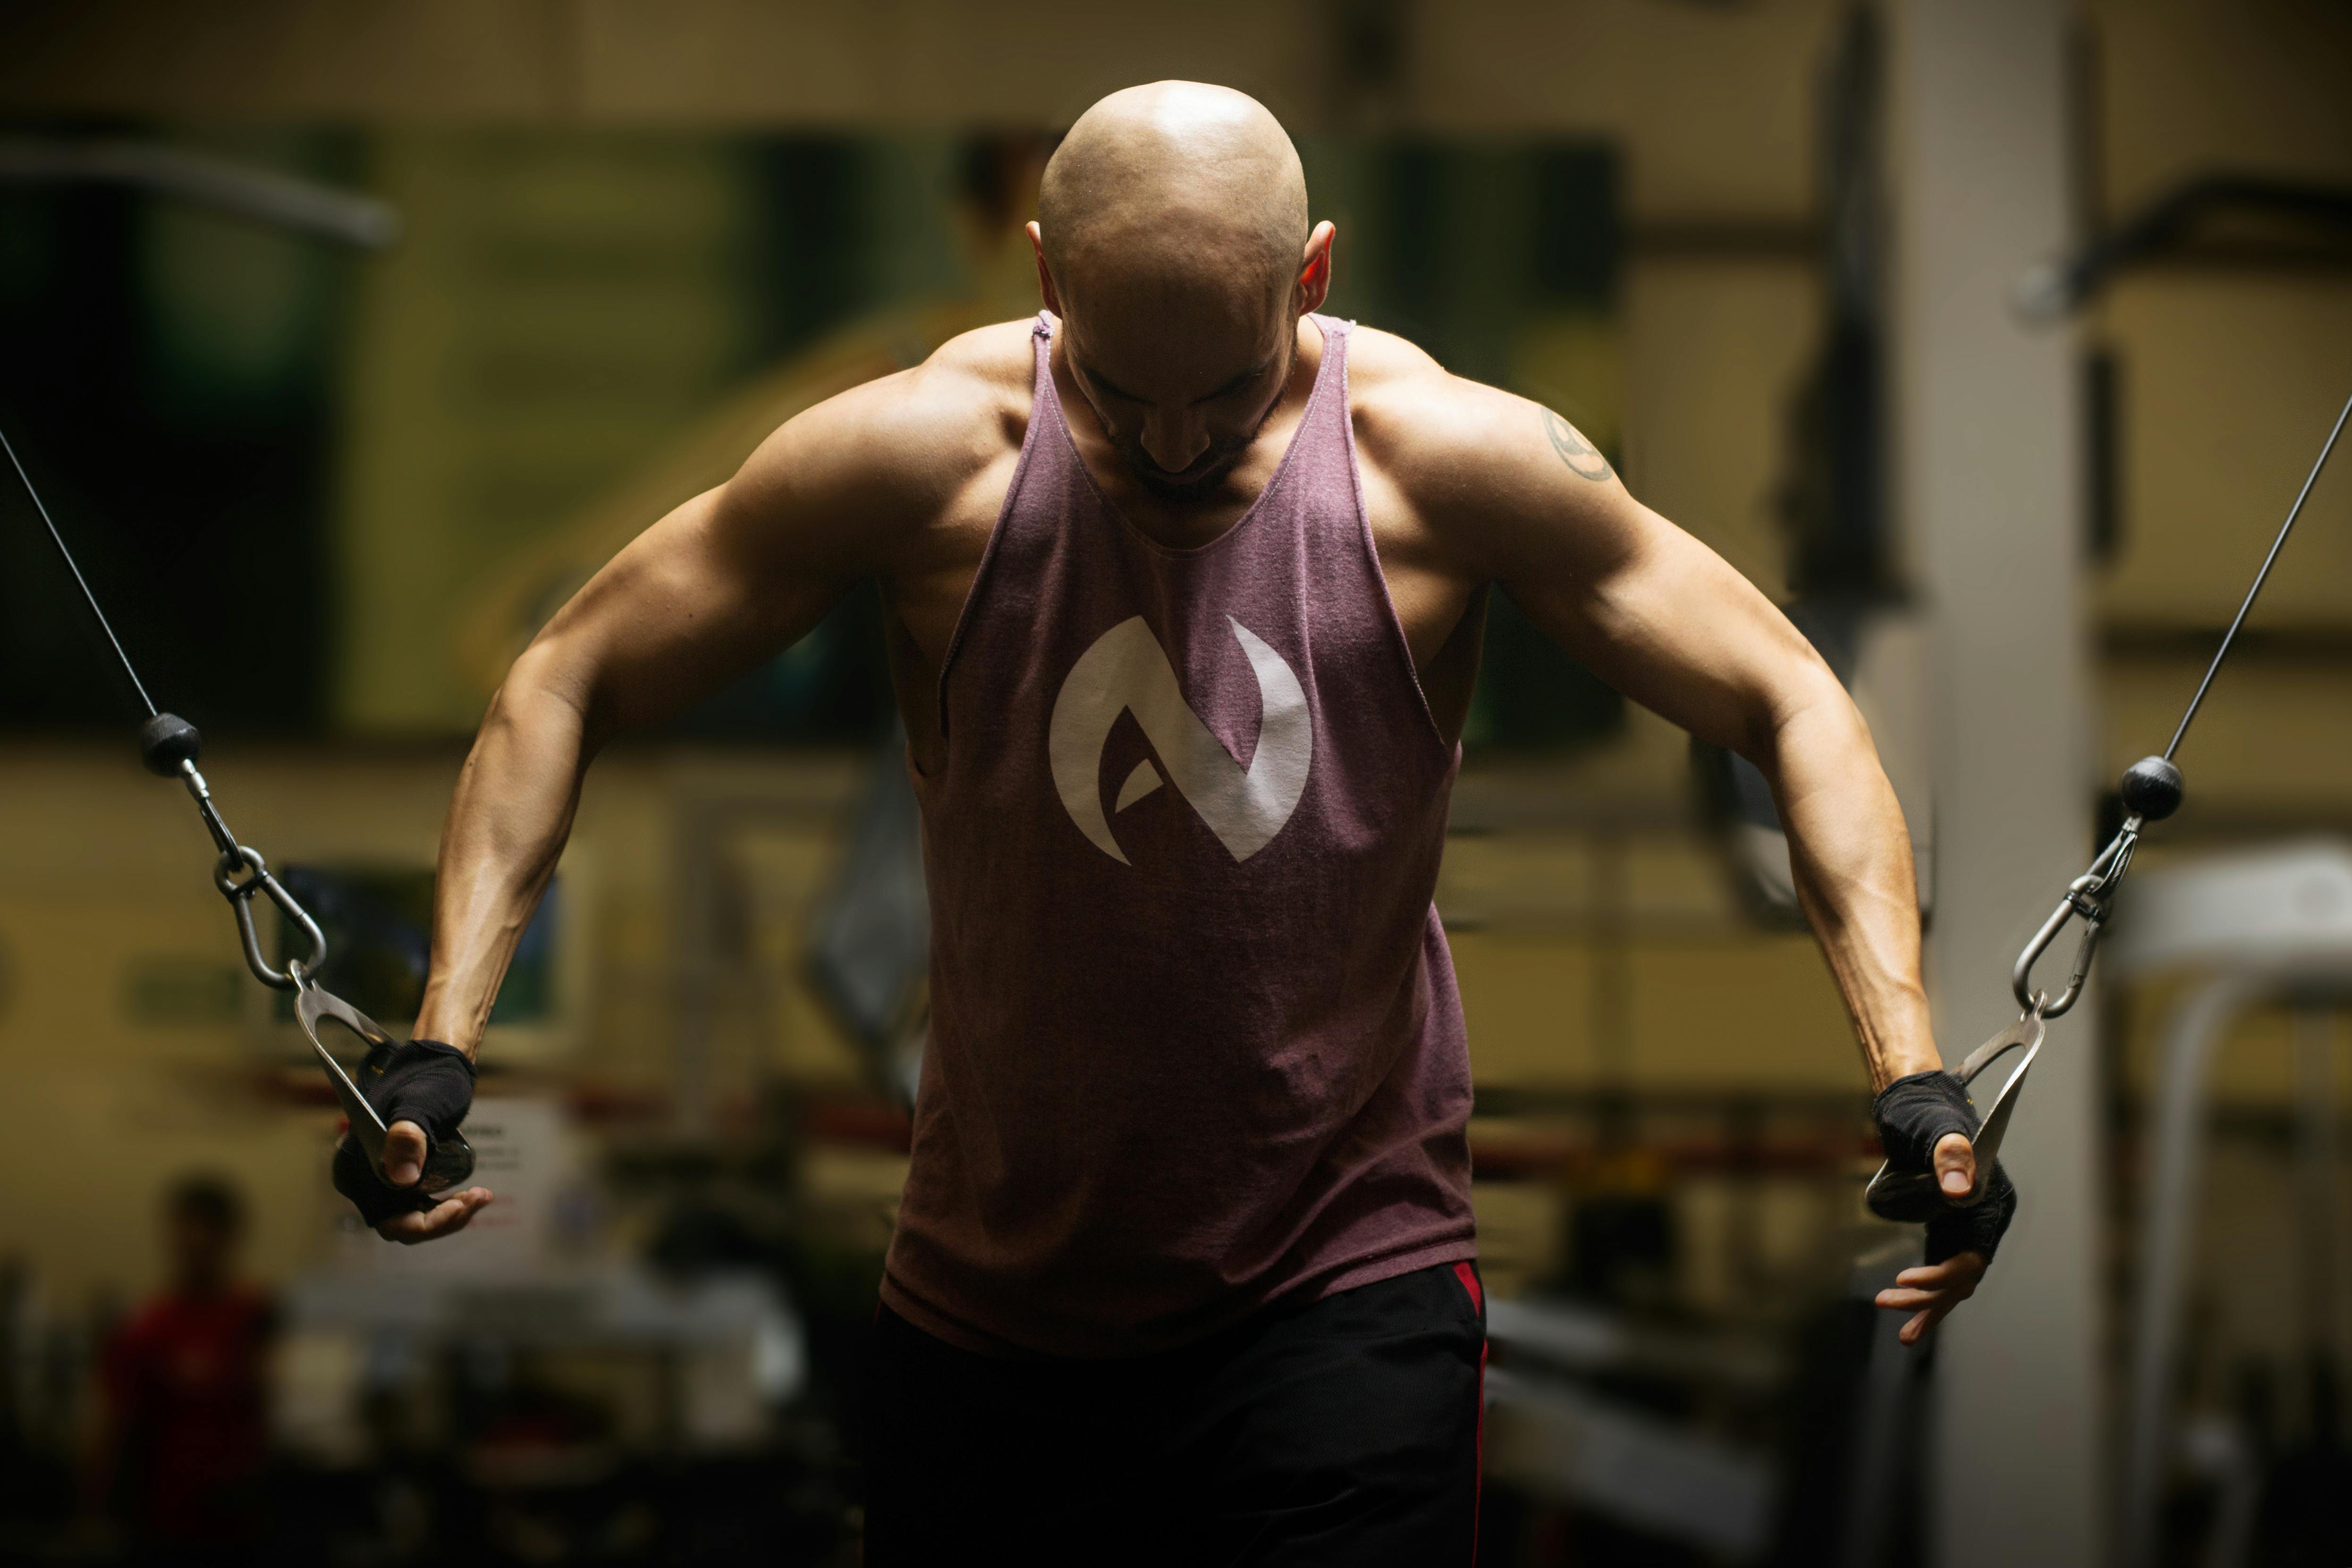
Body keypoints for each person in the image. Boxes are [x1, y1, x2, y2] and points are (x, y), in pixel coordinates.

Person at [333, 82, 2012, 1560]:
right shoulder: (922, 460)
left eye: (1221, 387)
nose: (1173, 442)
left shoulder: (1446, 468)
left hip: (1337, 1299)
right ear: (1049, 279)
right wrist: (439, 1042)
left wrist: (1907, 1068)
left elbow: (1786, 698)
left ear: (1310, 278)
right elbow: (561, 672)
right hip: (983, 1314)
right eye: (1125, 393)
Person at [93, 1175, 275, 1565]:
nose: (197, 1240)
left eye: (208, 1227)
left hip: (242, 1514)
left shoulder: (256, 1317)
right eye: (188, 1226)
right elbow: (120, 1423)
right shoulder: (148, 1327)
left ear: (229, 1236)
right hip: (167, 1519)